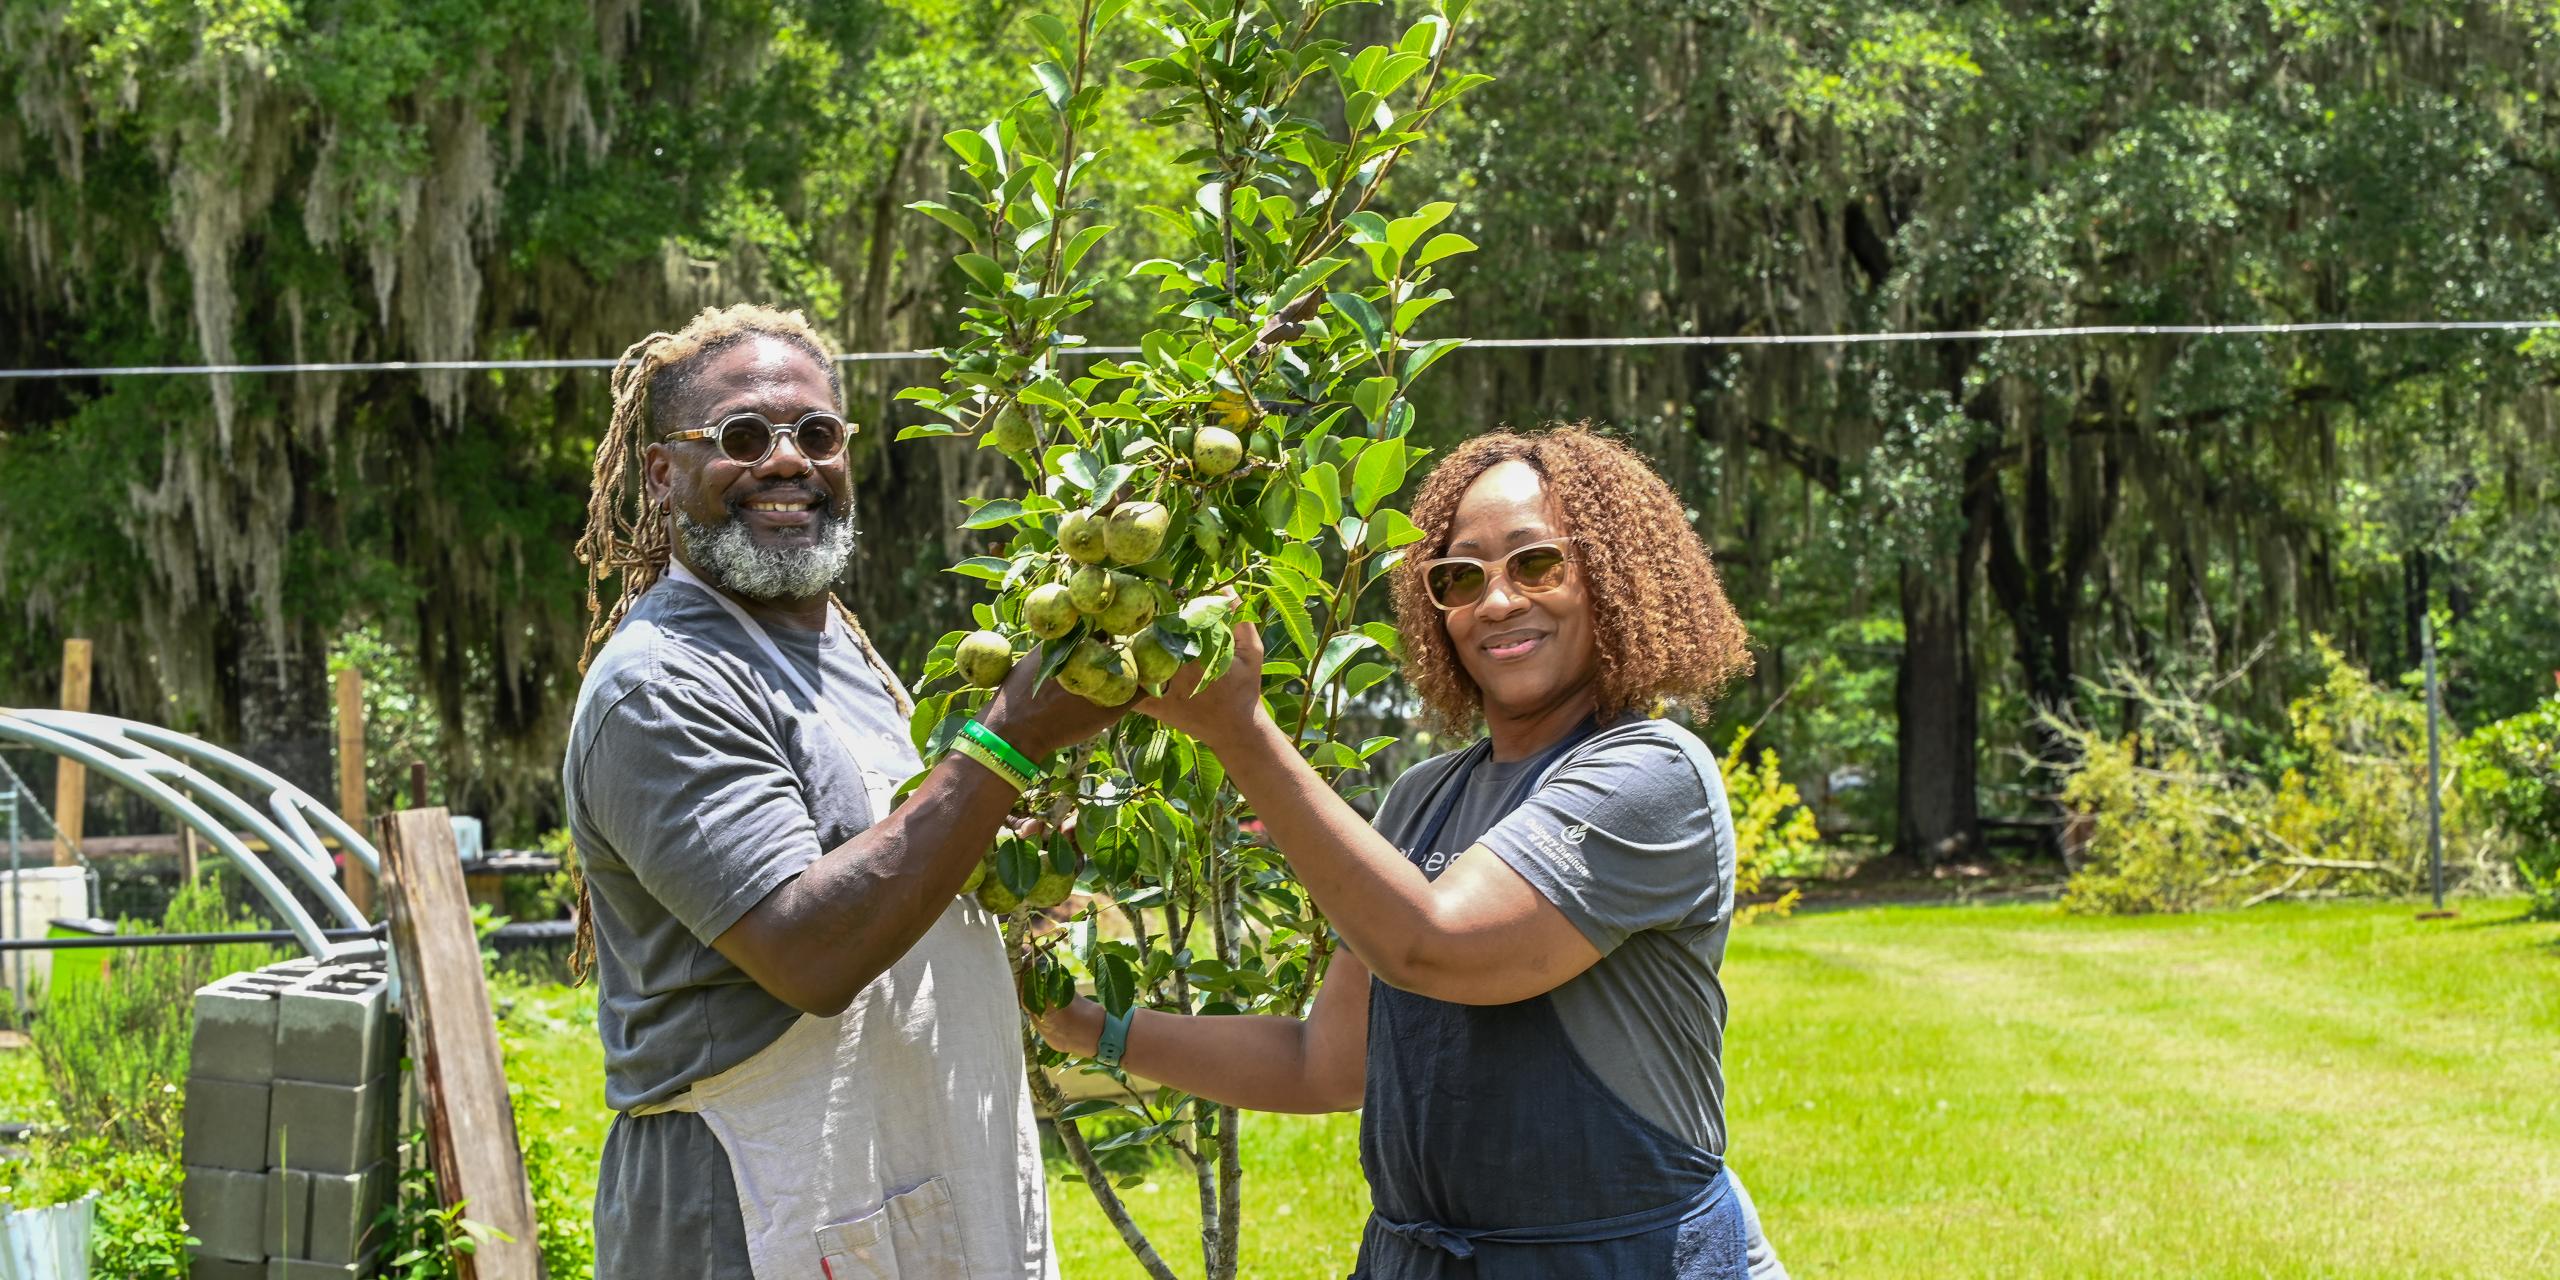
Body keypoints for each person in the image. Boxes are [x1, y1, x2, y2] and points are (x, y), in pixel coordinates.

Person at [1038, 424, 1788, 1278]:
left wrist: (1240, 733)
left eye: (1537, 564)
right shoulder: (1423, 799)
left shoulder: (1650, 774)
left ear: (1615, 578)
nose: (1497, 602)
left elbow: (1435, 944)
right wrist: (1093, 1030)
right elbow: (1324, 1062)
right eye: (1460, 577)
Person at [563, 303, 1118, 1279]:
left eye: (816, 434)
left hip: (899, 1182)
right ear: (661, 472)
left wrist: (1008, 839)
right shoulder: (663, 679)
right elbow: (803, 948)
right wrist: (1008, 740)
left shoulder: (838, 652)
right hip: (750, 1209)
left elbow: (894, 849)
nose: (787, 461)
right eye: (743, 436)